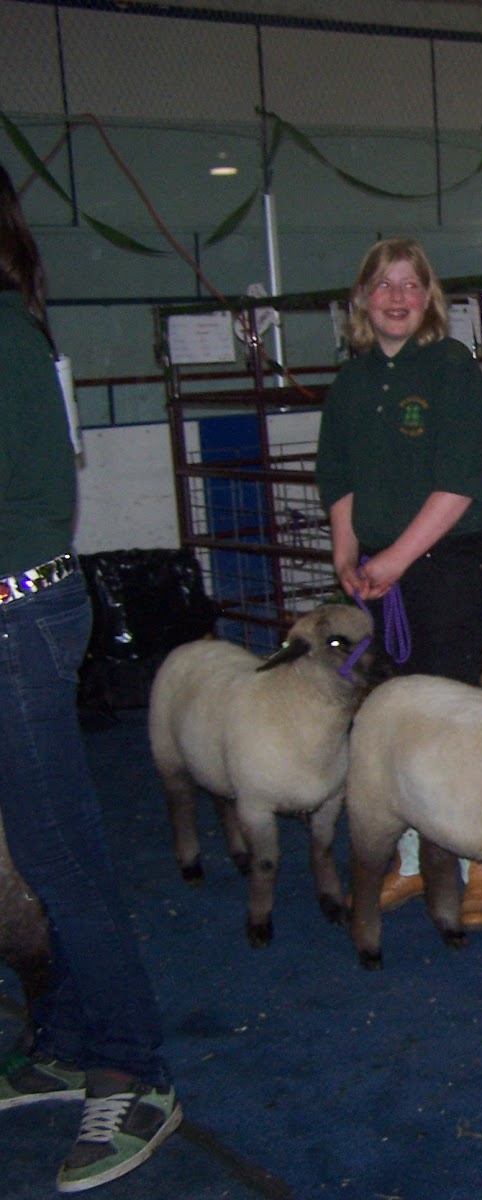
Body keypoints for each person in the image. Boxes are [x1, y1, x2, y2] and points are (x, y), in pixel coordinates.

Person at [0, 162, 183, 1192]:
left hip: (15, 616)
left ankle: (134, 1067)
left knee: (61, 853)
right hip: (18, 610)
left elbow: (25, 501)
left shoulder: (3, 338)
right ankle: (67, 1041)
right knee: (36, 845)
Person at [315, 236, 482, 930]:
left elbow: (459, 483)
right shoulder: (351, 381)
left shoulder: (450, 367)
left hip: (442, 565)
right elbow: (337, 476)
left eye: (410, 285)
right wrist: (347, 556)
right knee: (389, 721)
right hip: (371, 576)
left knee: (450, 716)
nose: (396, 297)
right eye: (383, 284)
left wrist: (391, 560)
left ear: (428, 299)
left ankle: (478, 864)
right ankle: (414, 861)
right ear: (362, 298)